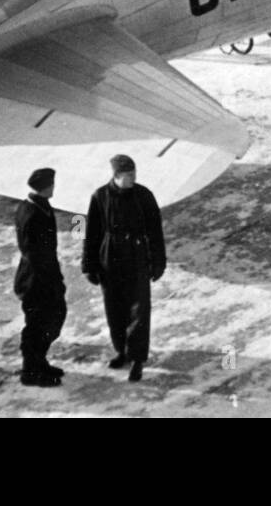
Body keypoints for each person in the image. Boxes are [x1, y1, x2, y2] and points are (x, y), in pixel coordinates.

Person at [81, 154, 166, 382]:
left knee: (139, 310)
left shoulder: (144, 196)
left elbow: (155, 231)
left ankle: (137, 359)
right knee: (114, 308)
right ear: (116, 176)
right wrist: (89, 265)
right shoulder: (100, 196)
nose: (133, 179)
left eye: (134, 174)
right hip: (111, 258)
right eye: (128, 176)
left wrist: (158, 262)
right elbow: (91, 233)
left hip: (137, 257)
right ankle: (122, 351)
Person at [14, 167, 67, 387]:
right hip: (36, 281)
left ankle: (39, 362)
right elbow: (32, 252)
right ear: (47, 186)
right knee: (37, 325)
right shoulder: (32, 213)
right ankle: (31, 371)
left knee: (51, 319)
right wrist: (50, 281)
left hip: (45, 277)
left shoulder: (38, 206)